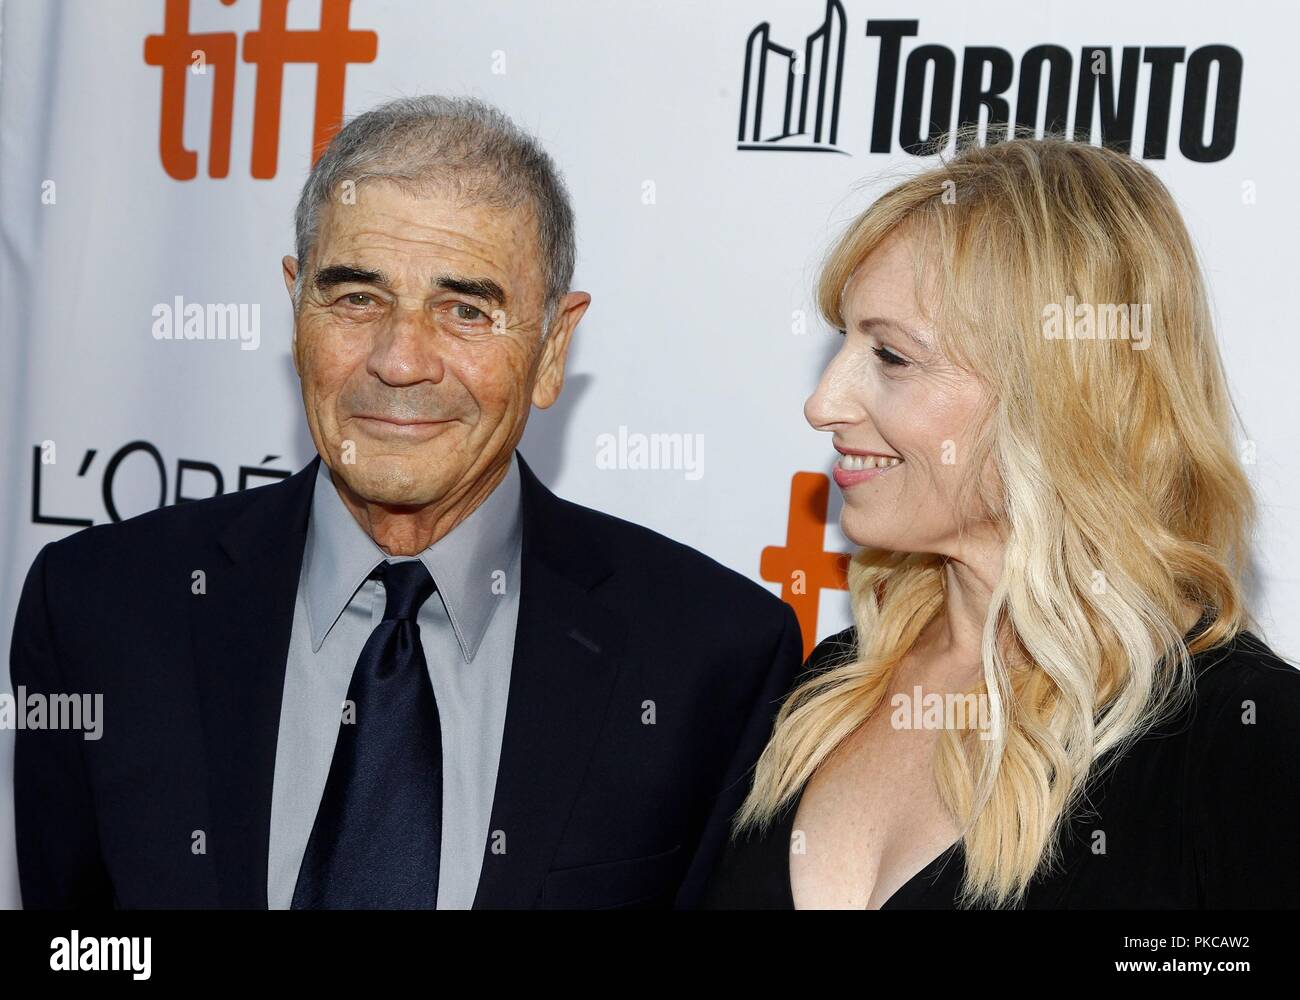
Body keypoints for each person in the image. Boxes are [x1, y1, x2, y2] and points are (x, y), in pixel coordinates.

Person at [10, 96, 803, 909]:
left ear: (552, 348)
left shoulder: (714, 657)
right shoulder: (96, 610)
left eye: (466, 311)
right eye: (356, 298)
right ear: (295, 307)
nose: (399, 360)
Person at [701, 130, 1300, 909]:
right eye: (843, 342)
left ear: (1057, 397)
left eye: (891, 357)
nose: (823, 404)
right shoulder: (832, 683)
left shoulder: (1245, 741)